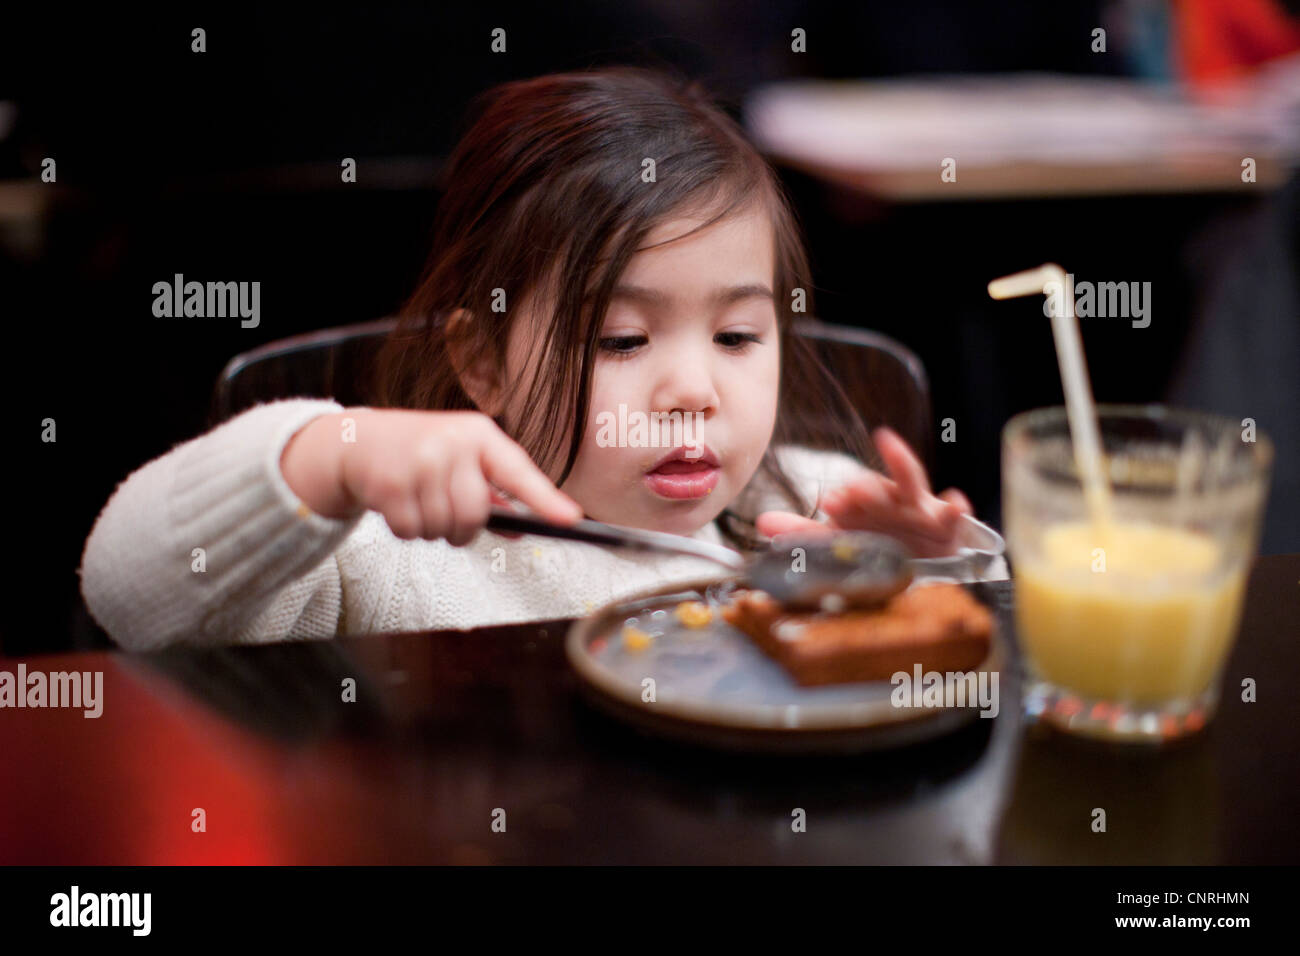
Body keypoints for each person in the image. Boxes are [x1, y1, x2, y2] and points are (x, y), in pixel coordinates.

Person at [79, 67, 984, 651]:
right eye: (622, 340)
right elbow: (126, 591)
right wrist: (330, 456)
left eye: (738, 337)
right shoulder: (395, 559)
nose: (694, 392)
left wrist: (938, 583)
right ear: (484, 363)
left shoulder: (814, 505)